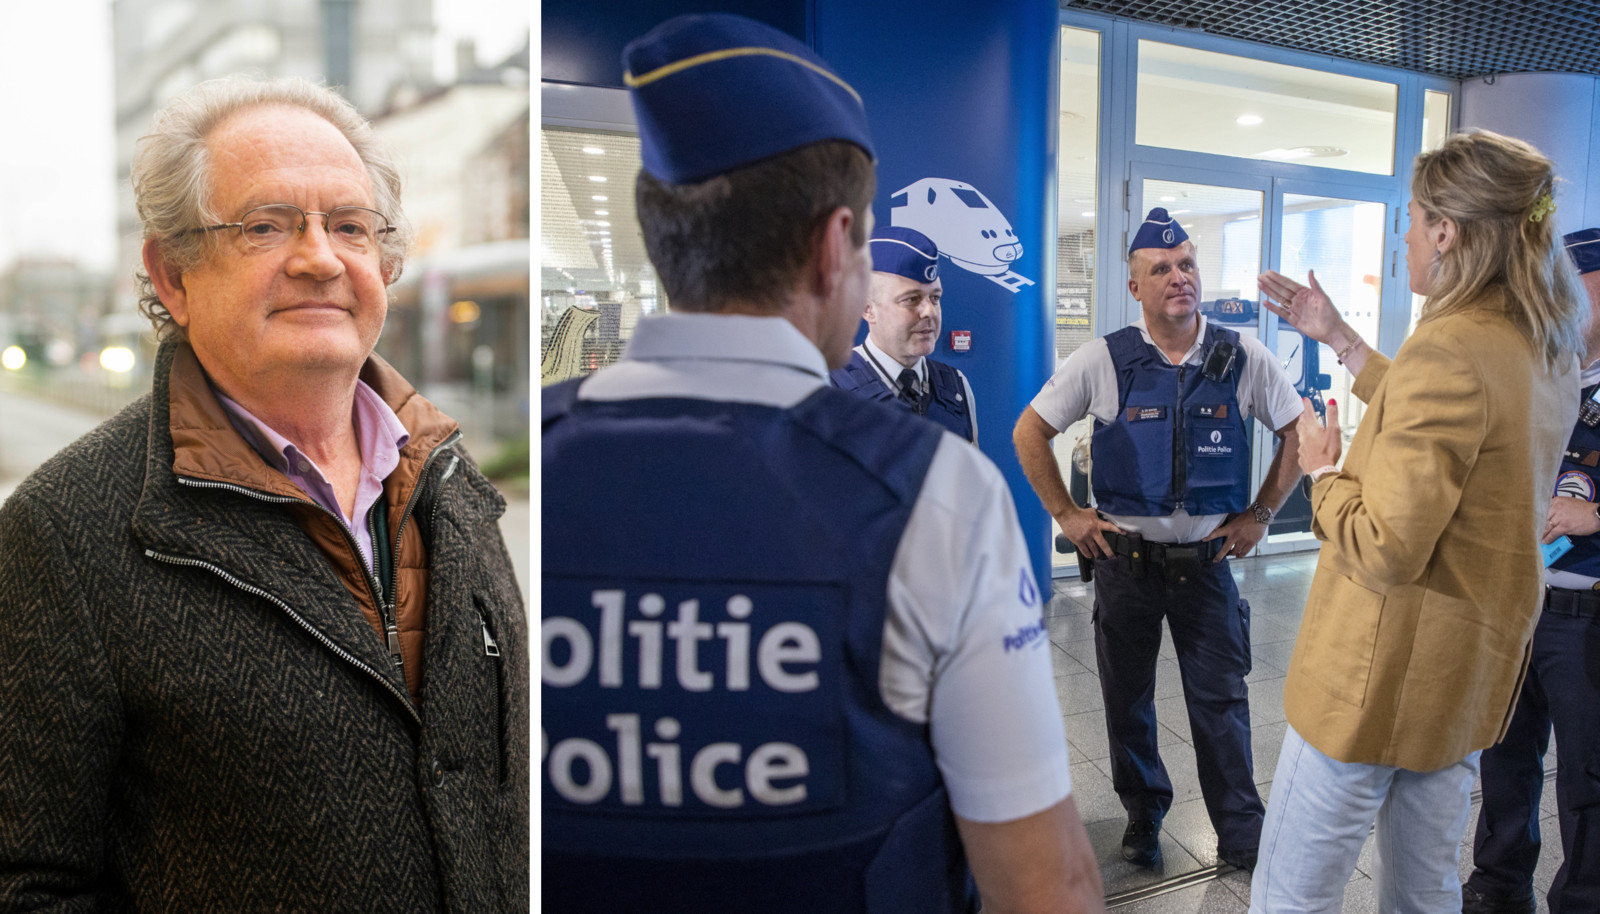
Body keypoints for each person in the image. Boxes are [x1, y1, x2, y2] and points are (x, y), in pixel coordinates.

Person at [541, 13, 1103, 914]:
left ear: (661, 235)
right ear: (833, 246)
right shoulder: (935, 494)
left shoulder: (514, 476)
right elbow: (1046, 884)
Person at [0, 77, 528, 912]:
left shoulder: (453, 485)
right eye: (265, 225)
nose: (320, 257)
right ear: (172, 275)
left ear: (383, 262)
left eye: (350, 226)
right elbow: (28, 882)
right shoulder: (63, 534)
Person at [1250, 129, 1584, 913]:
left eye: (1410, 219)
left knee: (1290, 897)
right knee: (1425, 890)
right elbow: (1453, 421)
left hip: (1371, 684)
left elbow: (1386, 545)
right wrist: (1340, 338)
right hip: (1459, 680)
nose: (1403, 236)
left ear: (1446, 230)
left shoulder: (1451, 348)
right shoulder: (1543, 345)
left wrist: (1323, 470)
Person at [1013, 207, 1304, 871]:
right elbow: (1029, 432)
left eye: (1187, 265)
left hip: (1206, 567)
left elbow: (1296, 429)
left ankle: (1240, 831)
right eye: (1161, 270)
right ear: (1136, 287)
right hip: (1126, 566)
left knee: (1222, 703)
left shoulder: (1240, 355)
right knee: (1128, 701)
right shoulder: (1103, 359)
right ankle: (1144, 815)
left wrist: (1261, 511)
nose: (1179, 277)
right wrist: (1067, 513)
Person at [1460, 227, 1600, 914]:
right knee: (1505, 755)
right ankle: (1498, 882)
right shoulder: (1535, 376)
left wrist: (1597, 518)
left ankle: (1582, 897)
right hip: (1516, 602)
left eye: (1570, 284)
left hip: (1586, 615)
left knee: (1587, 772)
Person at [831, 225, 979, 443]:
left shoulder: (957, 387)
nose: (929, 311)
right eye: (911, 299)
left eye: (935, 298)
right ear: (867, 308)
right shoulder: (830, 390)